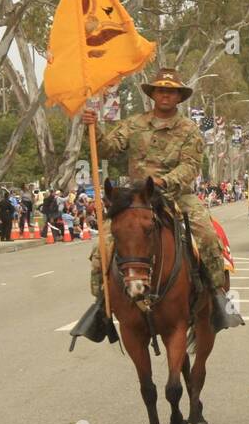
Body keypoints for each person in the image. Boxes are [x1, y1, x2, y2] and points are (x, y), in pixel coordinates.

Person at [80, 68, 240, 332]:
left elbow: (190, 166)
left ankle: (217, 296)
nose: (166, 95)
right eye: (161, 90)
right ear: (153, 94)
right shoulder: (134, 124)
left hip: (177, 195)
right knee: (103, 246)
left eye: (172, 91)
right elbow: (108, 148)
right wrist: (93, 127)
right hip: (137, 198)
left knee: (209, 238)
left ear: (179, 97)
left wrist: (165, 181)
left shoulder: (190, 130)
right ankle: (101, 305)